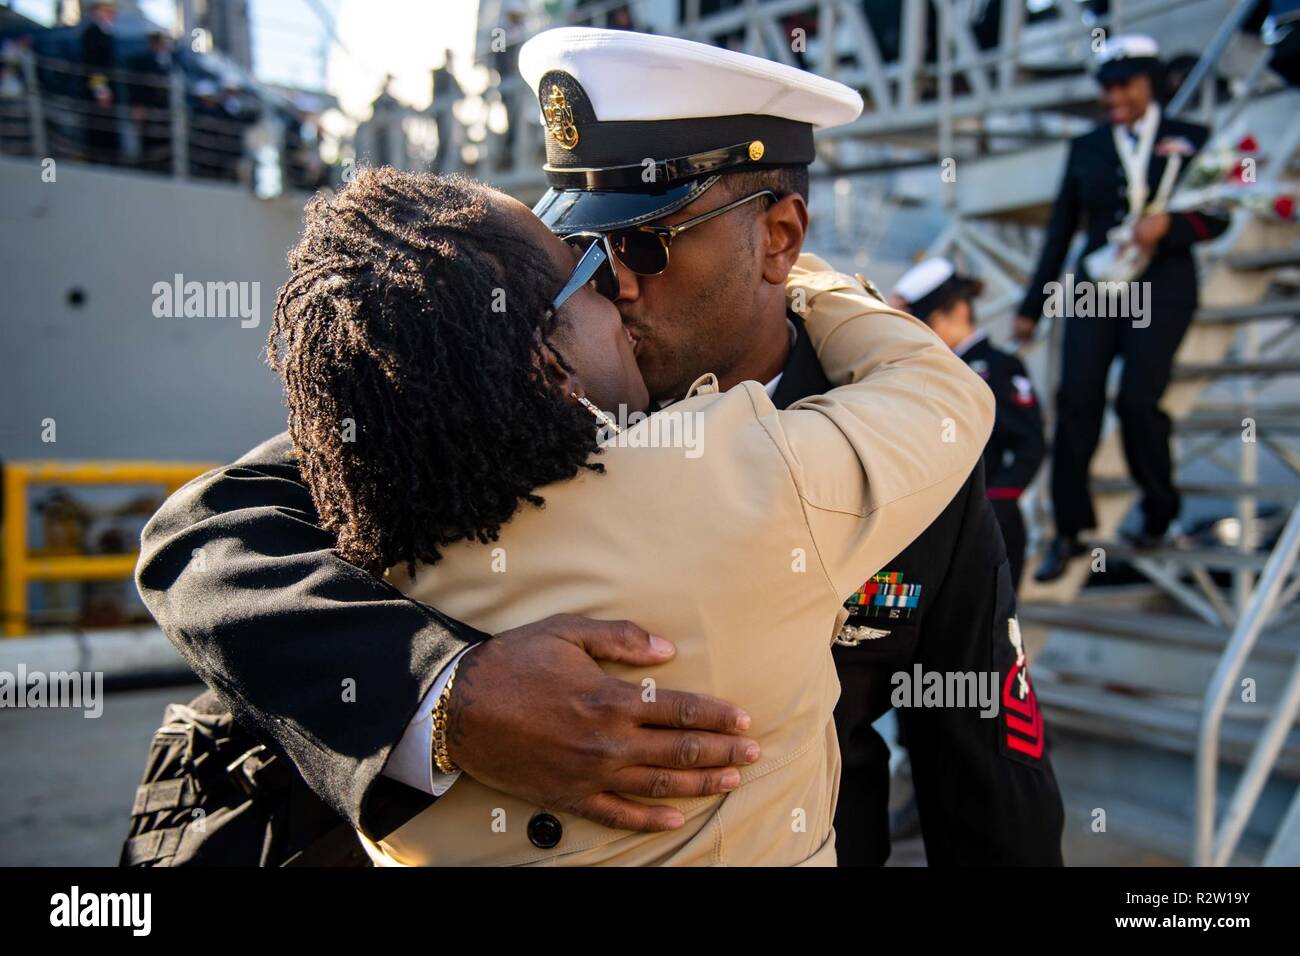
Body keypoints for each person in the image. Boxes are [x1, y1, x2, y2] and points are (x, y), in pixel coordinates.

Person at [137, 26, 1063, 866]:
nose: (612, 284)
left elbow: (984, 766)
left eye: (649, 244)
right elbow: (205, 535)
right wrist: (447, 694)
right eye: (585, 245)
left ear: (779, 238)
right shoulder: (526, 388)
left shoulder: (896, 452)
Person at [270, 167, 991, 865]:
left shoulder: (358, 531)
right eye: (587, 275)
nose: (619, 293)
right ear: (550, 366)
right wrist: (801, 277)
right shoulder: (745, 480)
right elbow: (943, 395)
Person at [1014, 35, 1230, 582]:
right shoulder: (1086, 146)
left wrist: (1172, 227)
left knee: (1137, 401)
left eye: (1123, 85)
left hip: (1162, 288)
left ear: (1150, 84)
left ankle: (1159, 509)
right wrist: (1033, 306)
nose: (1112, 97)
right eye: (1105, 88)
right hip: (1096, 287)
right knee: (1076, 400)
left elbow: (1221, 214)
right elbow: (1060, 233)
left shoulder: (1193, 138)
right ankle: (1068, 529)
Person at [892, 257, 1045, 589]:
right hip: (931, 528)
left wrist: (995, 502)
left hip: (984, 525)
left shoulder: (998, 368)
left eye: (927, 321)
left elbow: (1030, 444)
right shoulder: (923, 372)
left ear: (960, 310)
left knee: (987, 633)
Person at [125, 31, 173, 173]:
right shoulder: (141, 61)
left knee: (164, 140)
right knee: (148, 140)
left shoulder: (169, 61)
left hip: (165, 110)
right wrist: (137, 107)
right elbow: (135, 86)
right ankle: (148, 167)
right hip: (148, 108)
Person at [79, 0, 119, 165]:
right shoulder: (92, 34)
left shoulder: (105, 33)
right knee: (99, 127)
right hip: (99, 91)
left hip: (105, 88)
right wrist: (101, 90)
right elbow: (94, 66)